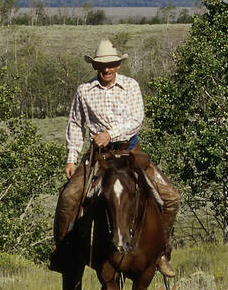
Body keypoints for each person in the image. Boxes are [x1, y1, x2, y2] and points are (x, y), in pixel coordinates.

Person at [51, 38, 179, 276]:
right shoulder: (84, 91)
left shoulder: (131, 86)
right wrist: (71, 158)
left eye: (110, 65)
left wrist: (110, 134)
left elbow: (136, 119)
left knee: (171, 197)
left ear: (118, 65)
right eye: (101, 65)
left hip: (130, 151)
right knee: (68, 197)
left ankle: (161, 251)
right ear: (95, 66)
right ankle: (64, 254)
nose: (106, 69)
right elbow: (76, 124)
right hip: (99, 156)